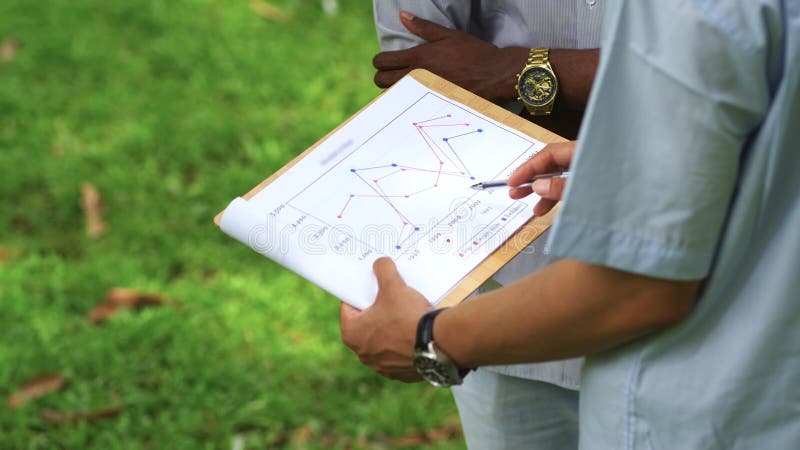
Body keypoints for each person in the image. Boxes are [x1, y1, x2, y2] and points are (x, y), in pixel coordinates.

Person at [343, 1, 800, 448]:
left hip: (692, 398)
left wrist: (428, 337)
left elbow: (637, 287)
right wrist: (627, 146)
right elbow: (424, 74)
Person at [370, 2, 604, 448]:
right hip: (501, 280)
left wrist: (507, 69)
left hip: (702, 312)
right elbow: (423, 87)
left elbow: (717, 83)